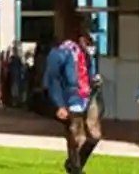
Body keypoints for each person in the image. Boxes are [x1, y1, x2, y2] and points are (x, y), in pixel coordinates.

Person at [43, 16, 102, 174]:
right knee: (77, 136)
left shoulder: (87, 49)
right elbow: (53, 79)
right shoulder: (60, 51)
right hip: (71, 97)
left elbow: (91, 69)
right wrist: (59, 104)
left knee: (95, 135)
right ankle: (76, 168)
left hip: (88, 95)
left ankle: (73, 164)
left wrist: (94, 78)